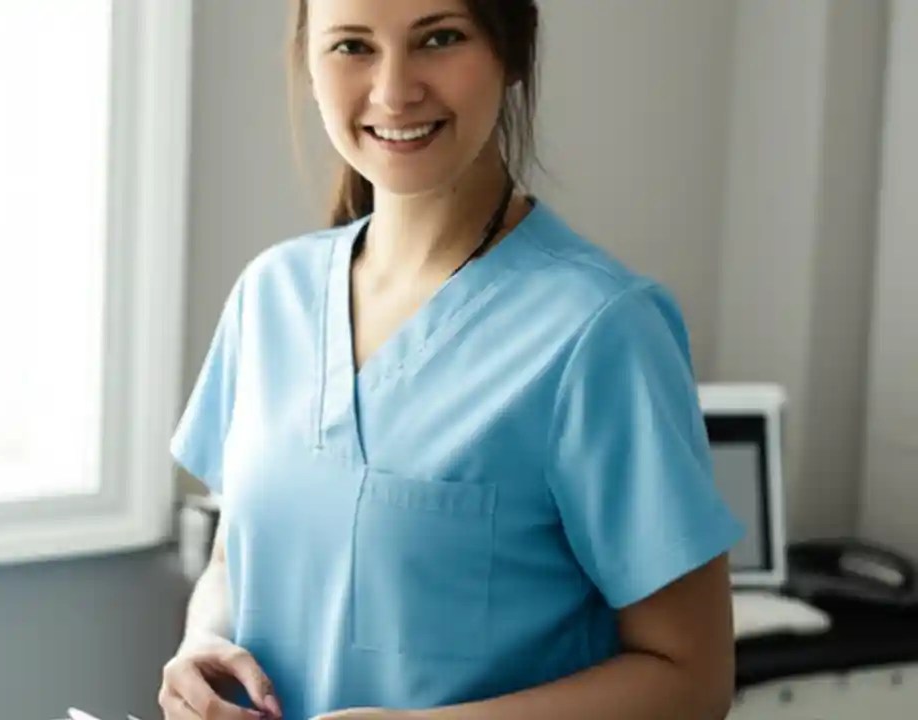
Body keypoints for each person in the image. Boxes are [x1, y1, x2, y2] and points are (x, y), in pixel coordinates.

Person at [161, 0, 743, 718]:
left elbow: (692, 679)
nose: (394, 90)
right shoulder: (270, 296)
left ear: (513, 53)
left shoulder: (601, 332)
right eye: (352, 47)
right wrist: (203, 644)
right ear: (308, 65)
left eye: (439, 39)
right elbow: (235, 558)